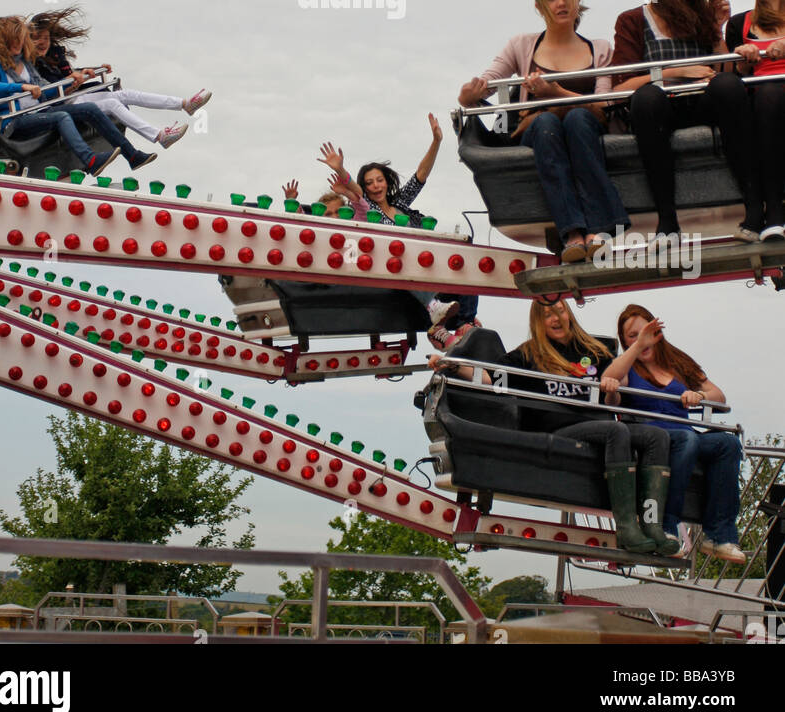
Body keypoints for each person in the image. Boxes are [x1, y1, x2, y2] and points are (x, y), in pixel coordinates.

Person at [458, 0, 628, 263]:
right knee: (547, 123)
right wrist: (469, 94)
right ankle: (572, 233)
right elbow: (486, 82)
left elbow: (602, 106)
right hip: (539, 126)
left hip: (585, 124)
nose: (561, 3)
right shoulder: (521, 45)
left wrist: (555, 91)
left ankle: (600, 229)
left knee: (576, 119)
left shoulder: (600, 49)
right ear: (539, 6)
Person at [610, 0, 762, 238]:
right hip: (661, 110)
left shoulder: (702, 16)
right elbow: (621, 87)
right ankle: (667, 222)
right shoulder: (632, 20)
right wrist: (677, 71)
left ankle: (755, 208)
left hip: (702, 104)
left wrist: (718, 30)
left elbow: (726, 69)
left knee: (729, 86)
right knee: (647, 99)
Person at [503, 300, 679, 555]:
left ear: (569, 314)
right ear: (538, 322)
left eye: (560, 311)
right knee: (615, 431)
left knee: (656, 436)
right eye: (547, 314)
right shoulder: (528, 353)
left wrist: (612, 390)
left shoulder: (594, 350)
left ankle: (652, 525)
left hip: (599, 424)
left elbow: (614, 398)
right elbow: (489, 376)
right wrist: (452, 363)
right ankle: (627, 526)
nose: (556, 318)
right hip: (559, 428)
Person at [606, 304, 746, 564]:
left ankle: (718, 535)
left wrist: (699, 396)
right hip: (649, 439)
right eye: (632, 336)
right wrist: (636, 348)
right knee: (688, 440)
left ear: (657, 333)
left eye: (645, 333)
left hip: (683, 435)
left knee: (726, 443)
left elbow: (718, 396)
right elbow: (610, 379)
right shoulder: (628, 366)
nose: (641, 340)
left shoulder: (677, 362)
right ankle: (667, 526)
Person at [317, 127, 473, 341]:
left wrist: (436, 141)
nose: (375, 186)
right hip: (390, 265)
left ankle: (463, 322)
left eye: (379, 180)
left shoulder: (399, 204)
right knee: (402, 255)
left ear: (387, 182)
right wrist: (342, 172)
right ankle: (435, 313)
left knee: (466, 256)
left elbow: (421, 175)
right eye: (370, 182)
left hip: (419, 261)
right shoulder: (368, 207)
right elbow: (357, 192)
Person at [0, 17, 148, 175]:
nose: (18, 43)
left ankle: (132, 156)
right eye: (14, 39)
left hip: (39, 111)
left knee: (90, 108)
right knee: (61, 117)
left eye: (20, 38)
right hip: (15, 120)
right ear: (3, 40)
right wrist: (21, 86)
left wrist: (71, 81)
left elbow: (45, 92)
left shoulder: (25, 63)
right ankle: (90, 161)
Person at [30, 8, 208, 152]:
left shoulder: (55, 54)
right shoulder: (30, 63)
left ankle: (184, 104)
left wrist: (88, 70)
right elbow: (50, 90)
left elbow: (69, 74)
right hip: (61, 104)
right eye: (37, 38)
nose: (42, 43)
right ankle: (160, 136)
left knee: (125, 94)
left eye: (46, 38)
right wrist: (71, 81)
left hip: (75, 97)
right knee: (113, 103)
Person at [725, 0, 785, 239]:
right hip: (762, 102)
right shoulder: (739, 24)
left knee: (772, 93)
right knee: (761, 97)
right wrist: (744, 63)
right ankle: (765, 209)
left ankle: (775, 209)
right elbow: (735, 76)